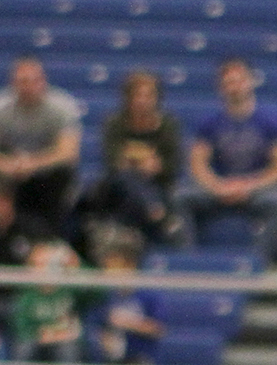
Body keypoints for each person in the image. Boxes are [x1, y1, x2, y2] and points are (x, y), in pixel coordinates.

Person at [175, 59, 277, 256]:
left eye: (239, 81)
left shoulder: (272, 121)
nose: (235, 87)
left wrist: (247, 185)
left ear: (250, 82)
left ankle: (259, 261)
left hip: (256, 189)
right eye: (229, 83)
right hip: (218, 188)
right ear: (220, 88)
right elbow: (197, 164)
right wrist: (218, 186)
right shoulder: (209, 122)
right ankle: (188, 258)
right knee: (181, 197)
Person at [86, 228, 166, 365]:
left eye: (116, 267)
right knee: (100, 362)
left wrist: (130, 324)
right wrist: (102, 337)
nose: (110, 273)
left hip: (137, 352)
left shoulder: (148, 295)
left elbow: (159, 329)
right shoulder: (104, 296)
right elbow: (93, 322)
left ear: (130, 267)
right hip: (109, 352)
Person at [11, 239, 94, 365]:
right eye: (39, 264)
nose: (44, 269)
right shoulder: (27, 294)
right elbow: (22, 328)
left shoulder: (69, 289)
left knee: (68, 350)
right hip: (36, 340)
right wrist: (44, 334)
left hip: (64, 340)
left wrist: (76, 263)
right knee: (23, 349)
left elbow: (97, 292)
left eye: (48, 263)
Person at [0, 58, 83, 231]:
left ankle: (49, 236)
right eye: (23, 82)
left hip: (47, 176)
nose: (28, 87)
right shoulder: (3, 107)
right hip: (9, 173)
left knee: (62, 173)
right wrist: (8, 165)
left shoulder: (61, 107)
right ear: (13, 83)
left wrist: (32, 164)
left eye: (33, 81)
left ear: (43, 81)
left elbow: (68, 152)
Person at [75, 139, 181, 252]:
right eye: (151, 158)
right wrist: (156, 213)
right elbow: (152, 210)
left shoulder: (155, 185)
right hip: (116, 234)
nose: (157, 161)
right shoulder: (123, 179)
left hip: (145, 235)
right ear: (137, 162)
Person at [100, 71, 183, 197]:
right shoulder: (114, 123)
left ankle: (153, 210)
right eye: (137, 95)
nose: (143, 101)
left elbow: (172, 163)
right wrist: (138, 167)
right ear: (128, 98)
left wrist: (157, 167)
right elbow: (112, 161)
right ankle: (154, 212)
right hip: (121, 186)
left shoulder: (168, 125)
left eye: (148, 96)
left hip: (159, 183)